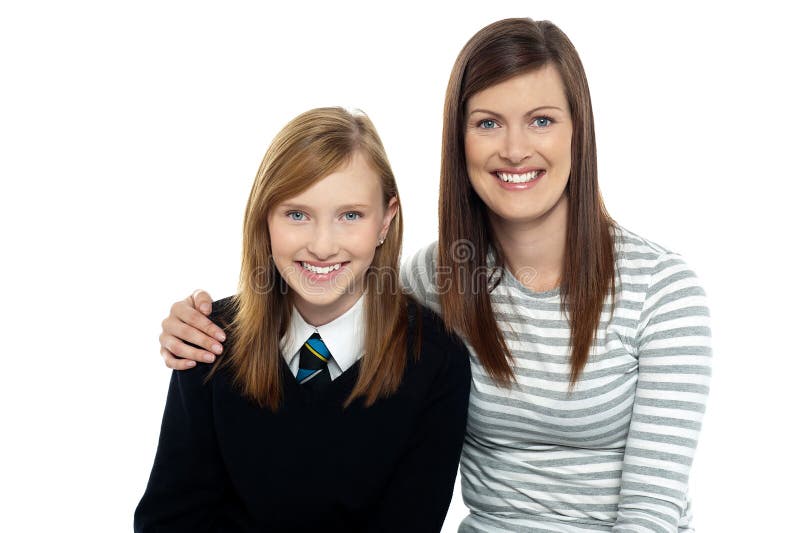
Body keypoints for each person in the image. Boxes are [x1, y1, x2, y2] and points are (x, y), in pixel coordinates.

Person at [158, 19, 712, 533]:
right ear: (460, 139)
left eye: (542, 120)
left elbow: (651, 511)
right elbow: (327, 296)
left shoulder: (662, 292)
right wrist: (197, 326)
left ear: (578, 132)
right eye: (488, 123)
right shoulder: (432, 278)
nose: (515, 149)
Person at [135, 107, 472, 533]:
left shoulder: (435, 361)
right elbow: (169, 520)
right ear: (265, 218)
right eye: (297, 214)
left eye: (351, 215)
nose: (322, 245)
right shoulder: (209, 339)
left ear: (386, 220)